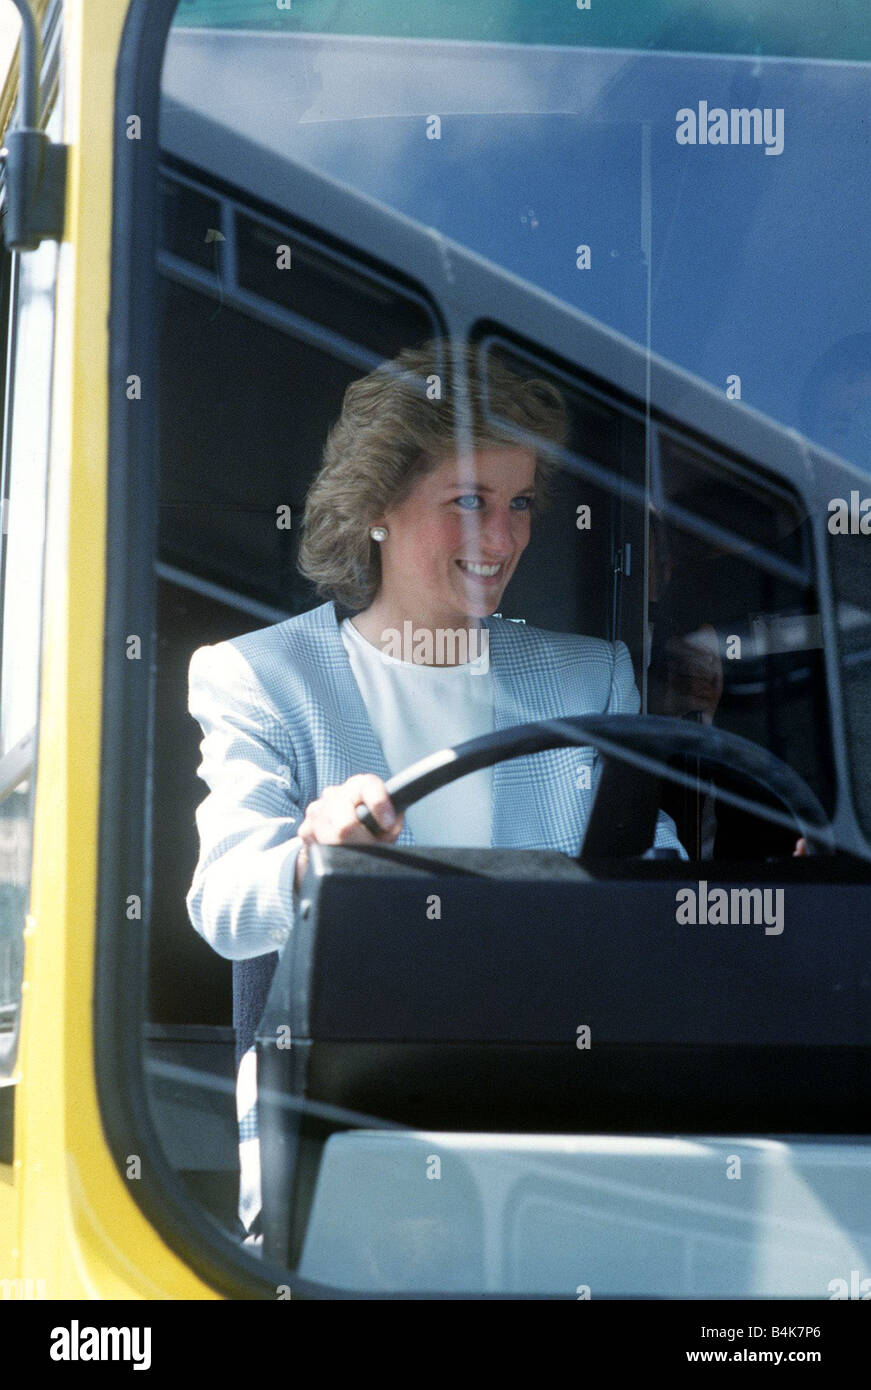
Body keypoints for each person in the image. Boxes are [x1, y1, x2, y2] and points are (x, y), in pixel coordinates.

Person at [185, 340, 686, 1247]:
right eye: (468, 502)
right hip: (342, 1139)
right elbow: (223, 905)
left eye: (519, 504)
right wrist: (315, 858)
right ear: (375, 507)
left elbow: (649, 890)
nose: (501, 541)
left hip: (567, 1133)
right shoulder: (259, 678)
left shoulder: (589, 679)